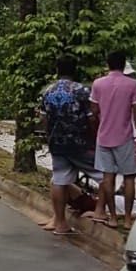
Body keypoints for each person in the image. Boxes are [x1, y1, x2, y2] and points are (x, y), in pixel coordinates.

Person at [39, 54, 102, 235]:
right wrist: (94, 139)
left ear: (57, 69)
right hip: (80, 143)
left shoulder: (47, 91)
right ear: (75, 69)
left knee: (59, 179)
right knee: (105, 174)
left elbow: (43, 119)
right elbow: (92, 118)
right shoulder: (82, 91)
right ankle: (102, 211)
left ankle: (59, 222)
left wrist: (49, 137)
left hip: (56, 143)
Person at [91, 51, 136, 229]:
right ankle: (128, 219)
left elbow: (94, 111)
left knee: (108, 178)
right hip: (125, 138)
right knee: (129, 177)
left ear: (108, 64)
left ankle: (113, 217)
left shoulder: (98, 84)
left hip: (104, 137)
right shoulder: (132, 85)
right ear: (124, 64)